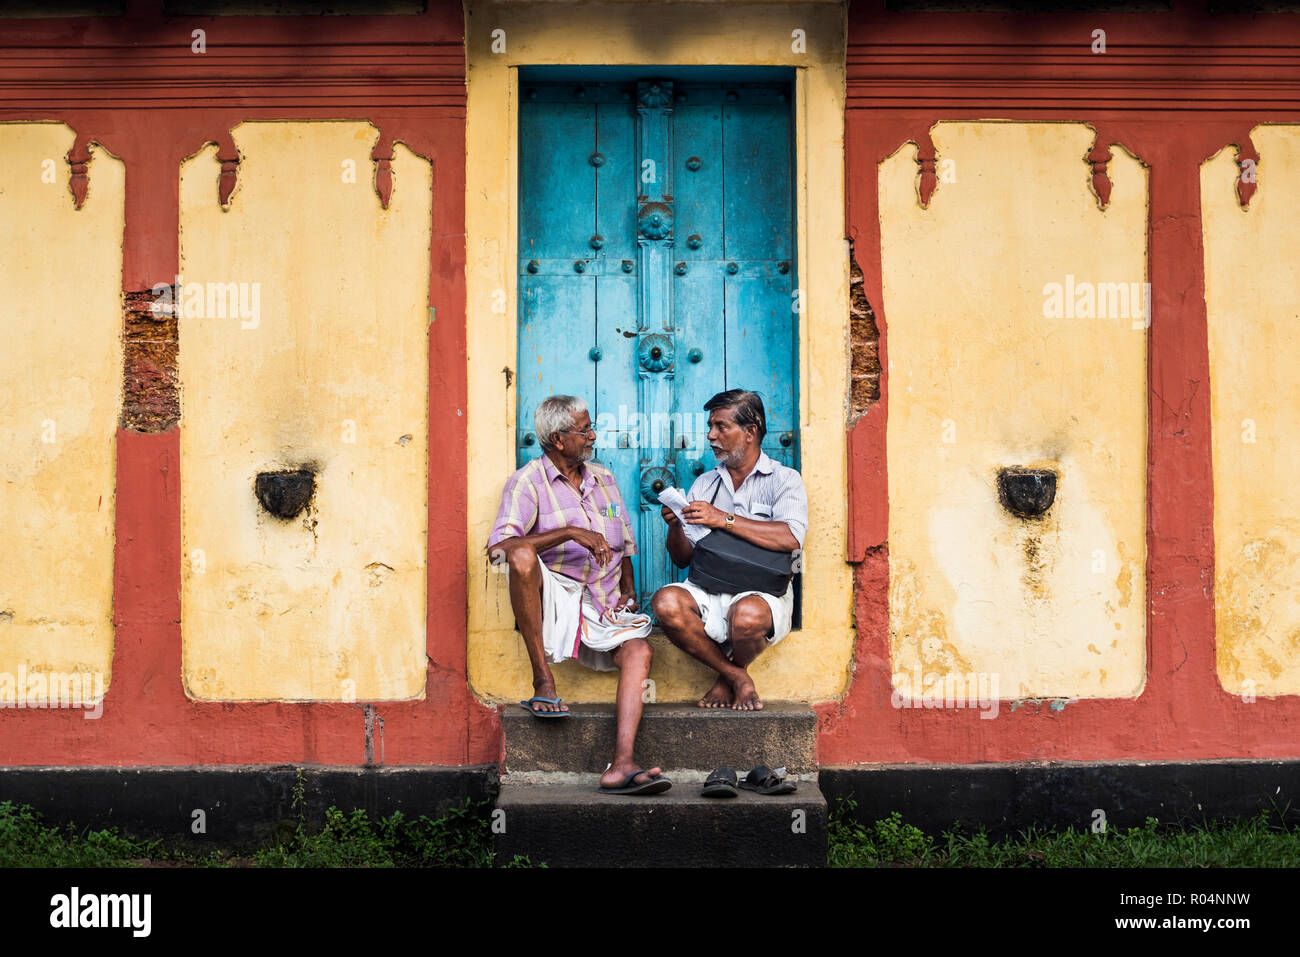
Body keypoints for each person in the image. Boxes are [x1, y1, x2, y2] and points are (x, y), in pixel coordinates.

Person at [487, 394, 670, 795]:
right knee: (519, 552)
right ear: (557, 439)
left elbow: (622, 540)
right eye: (584, 429)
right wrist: (569, 531)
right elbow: (498, 550)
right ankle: (543, 682)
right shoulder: (527, 481)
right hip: (558, 596)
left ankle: (621, 764)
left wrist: (628, 588)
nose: (592, 435)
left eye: (591, 427)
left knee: (640, 652)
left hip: (601, 603)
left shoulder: (602, 477)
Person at [651, 390, 807, 711]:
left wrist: (723, 519)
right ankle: (735, 675)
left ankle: (726, 679)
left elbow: (791, 538)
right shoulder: (705, 484)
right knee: (666, 603)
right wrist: (676, 525)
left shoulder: (784, 480)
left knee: (747, 615)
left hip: (763, 592)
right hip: (710, 586)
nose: (711, 436)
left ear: (750, 432)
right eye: (710, 427)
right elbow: (682, 558)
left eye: (722, 427)